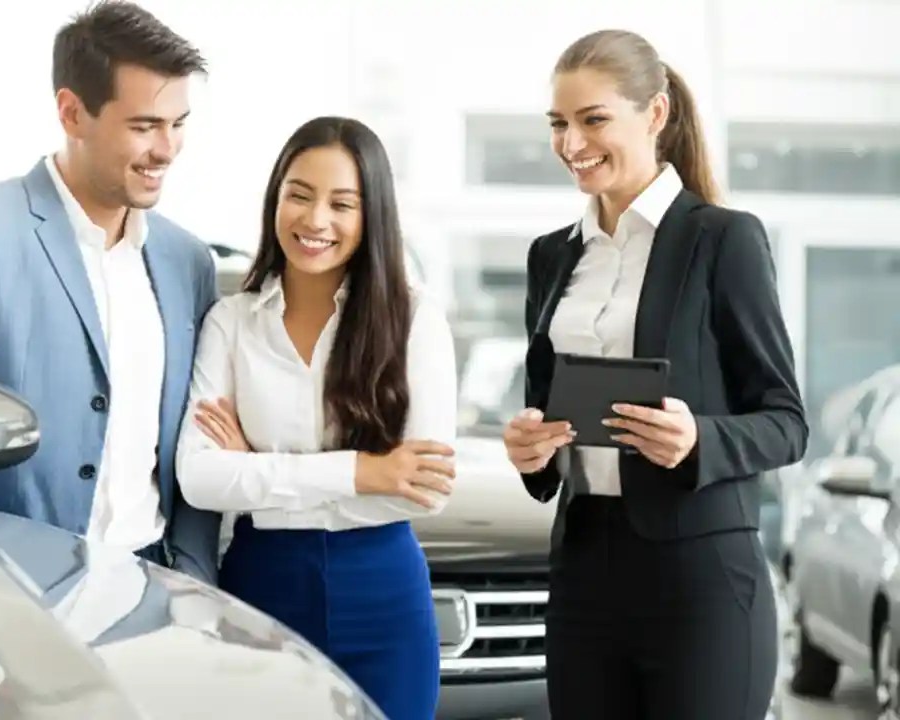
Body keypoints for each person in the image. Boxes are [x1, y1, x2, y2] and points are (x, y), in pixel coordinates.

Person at [501, 29, 807, 719]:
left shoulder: (723, 240)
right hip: (583, 570)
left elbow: (787, 422)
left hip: (700, 575)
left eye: (593, 120)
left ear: (657, 115)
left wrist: (697, 437)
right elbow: (545, 414)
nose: (571, 143)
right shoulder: (551, 257)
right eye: (559, 123)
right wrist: (531, 451)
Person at [0, 0, 222, 583]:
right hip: (17, 583)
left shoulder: (186, 261)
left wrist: (193, 576)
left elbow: (189, 445)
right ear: (72, 112)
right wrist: (14, 579)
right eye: (144, 126)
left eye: (179, 123)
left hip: (161, 586)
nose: (167, 149)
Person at [176, 115, 458, 720]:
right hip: (260, 588)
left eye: (342, 204)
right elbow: (199, 479)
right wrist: (364, 471)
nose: (315, 220)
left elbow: (425, 489)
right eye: (299, 195)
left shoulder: (414, 320)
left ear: (371, 215)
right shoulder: (231, 321)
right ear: (275, 198)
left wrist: (256, 470)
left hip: (383, 594)